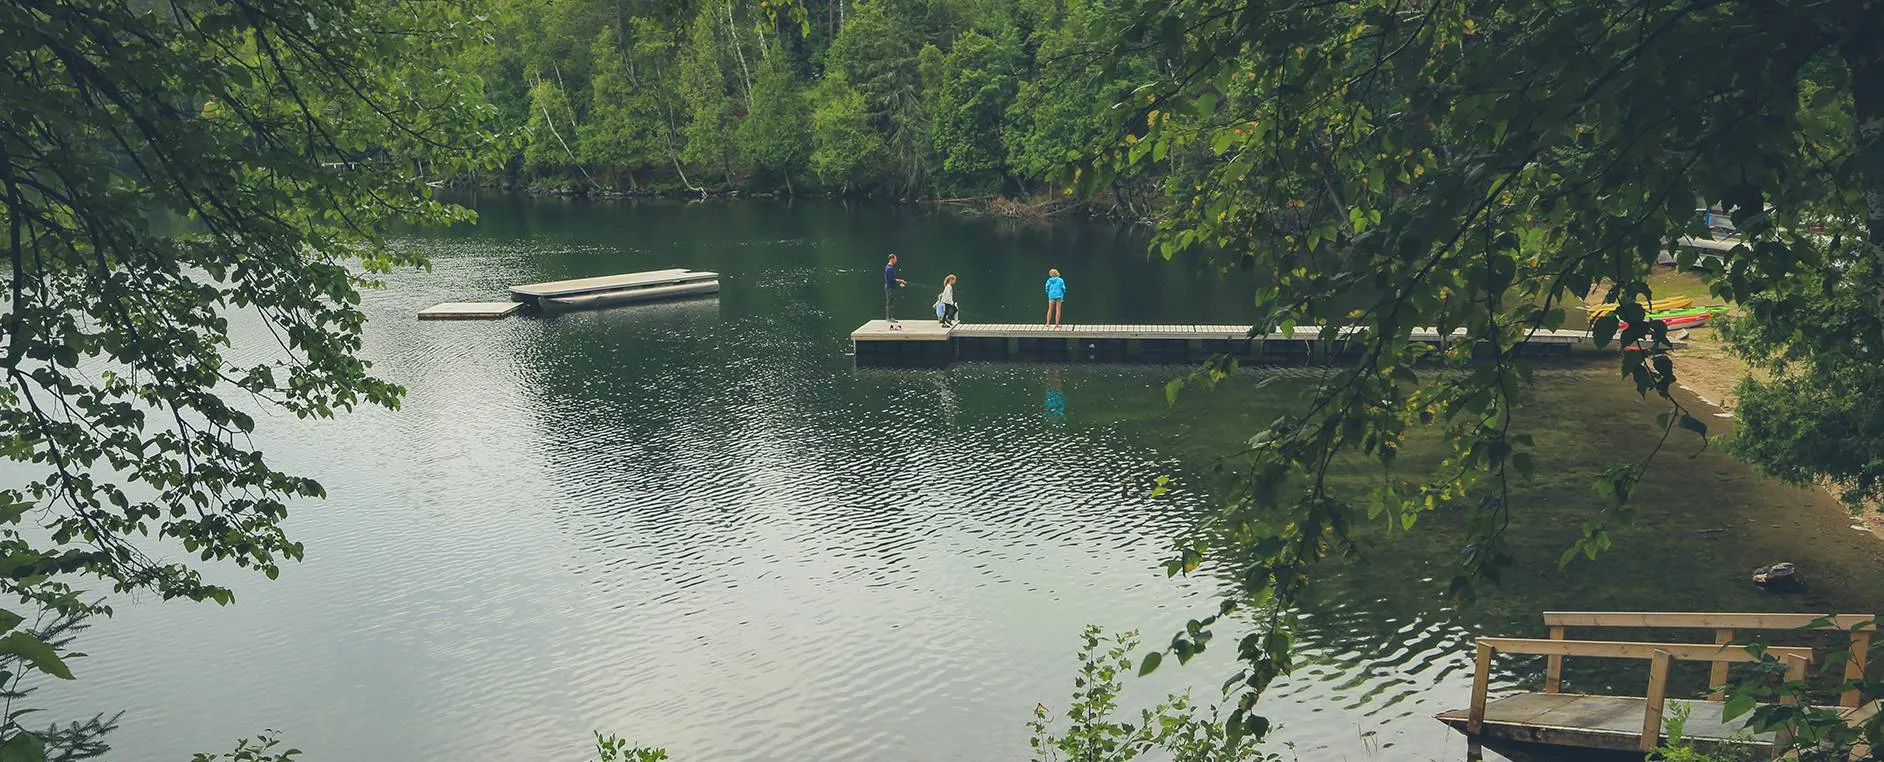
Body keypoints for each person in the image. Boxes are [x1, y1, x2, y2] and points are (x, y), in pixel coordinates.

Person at [883, 253, 907, 328]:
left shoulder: (889, 267)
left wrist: (899, 281)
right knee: (890, 302)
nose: (896, 260)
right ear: (891, 259)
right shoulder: (889, 268)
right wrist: (900, 281)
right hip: (890, 287)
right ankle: (889, 318)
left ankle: (890, 317)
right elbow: (891, 279)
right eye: (895, 259)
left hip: (890, 287)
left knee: (891, 302)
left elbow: (892, 280)